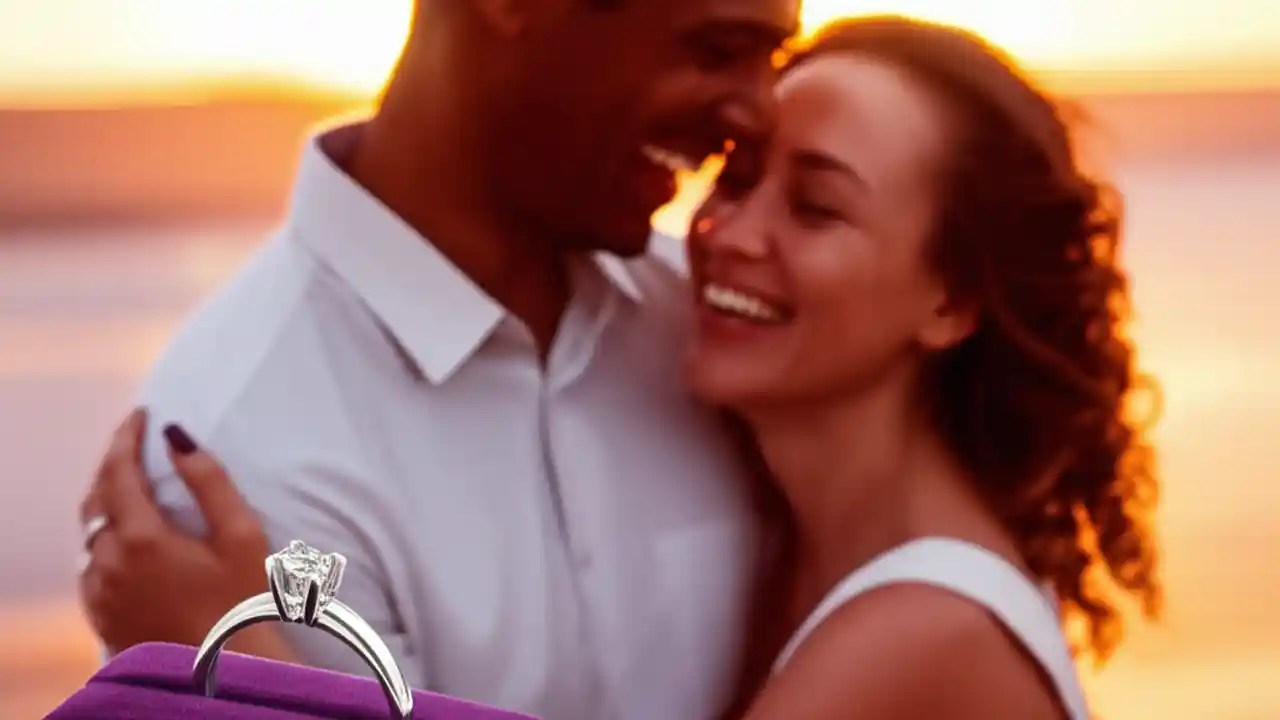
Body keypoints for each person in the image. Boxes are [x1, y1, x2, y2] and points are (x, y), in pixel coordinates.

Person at [77, 1, 798, 719]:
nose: (759, 116)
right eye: (716, 49)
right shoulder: (237, 452)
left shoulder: (734, 335)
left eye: (773, 63)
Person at [683, 18, 1161, 719]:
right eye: (736, 180)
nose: (732, 233)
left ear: (954, 298)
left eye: (815, 209)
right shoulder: (793, 557)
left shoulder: (922, 629)